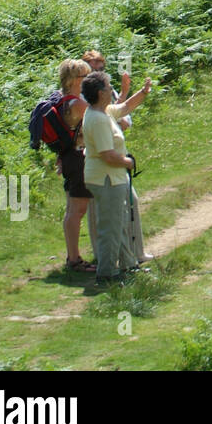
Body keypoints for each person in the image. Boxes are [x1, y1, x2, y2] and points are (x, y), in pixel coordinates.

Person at [81, 71, 152, 283]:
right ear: (101, 93)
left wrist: (143, 92)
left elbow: (126, 107)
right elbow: (108, 155)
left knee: (118, 224)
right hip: (106, 179)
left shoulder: (102, 112)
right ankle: (107, 274)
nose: (111, 90)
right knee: (110, 229)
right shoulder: (98, 119)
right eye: (109, 87)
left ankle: (128, 265)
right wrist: (127, 162)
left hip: (110, 178)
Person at [54, 58, 95, 273]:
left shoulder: (62, 99)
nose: (88, 79)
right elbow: (101, 117)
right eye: (84, 76)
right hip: (79, 158)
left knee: (72, 209)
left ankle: (73, 256)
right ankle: (74, 259)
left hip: (69, 157)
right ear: (73, 80)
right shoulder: (76, 103)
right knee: (77, 209)